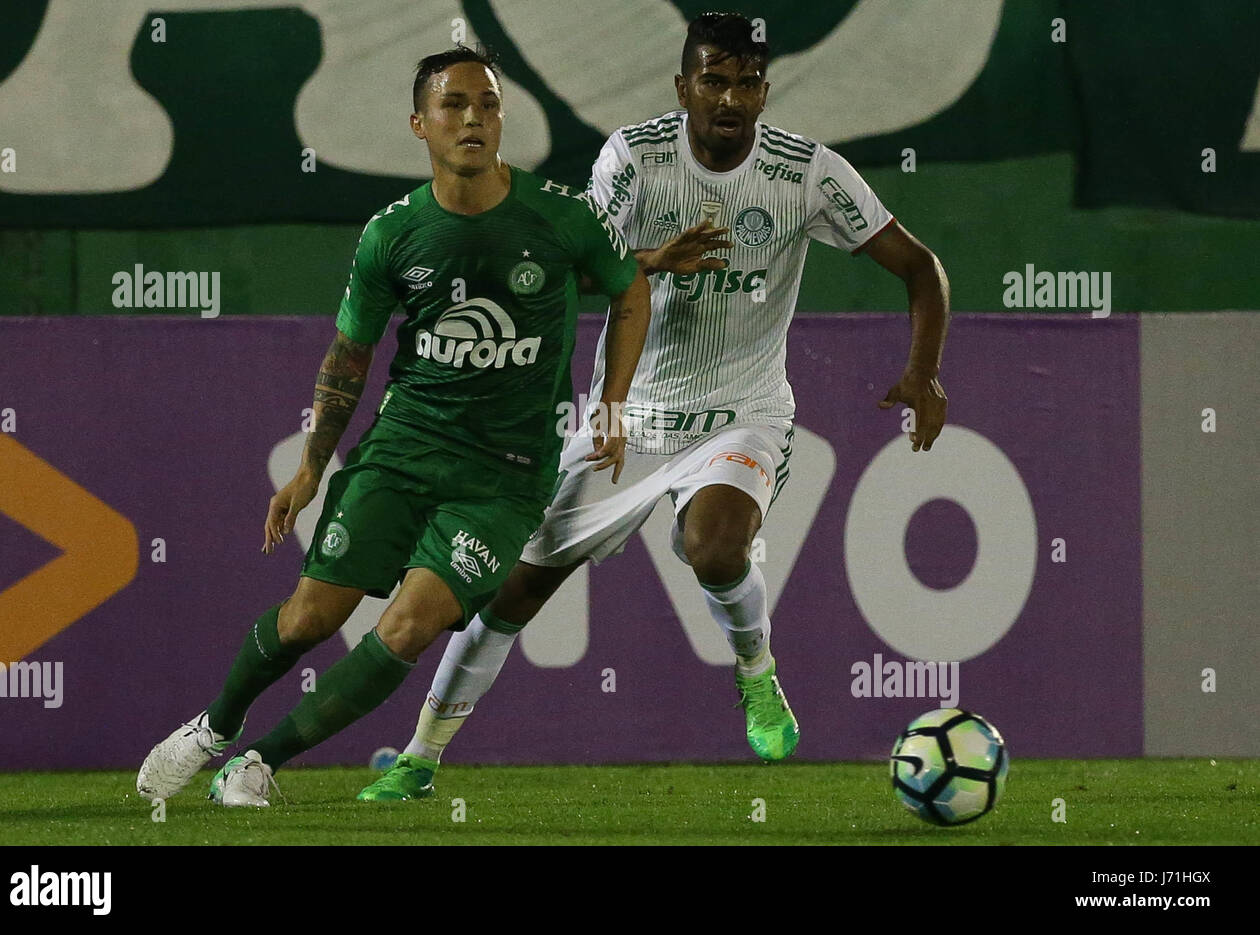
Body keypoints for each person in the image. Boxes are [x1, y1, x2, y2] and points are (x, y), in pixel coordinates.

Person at [360, 12, 951, 802]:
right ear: (683, 87)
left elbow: (920, 267)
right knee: (508, 592)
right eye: (713, 79)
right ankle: (421, 754)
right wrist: (649, 261)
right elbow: (564, 272)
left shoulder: (806, 173)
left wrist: (925, 374)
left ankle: (755, 671)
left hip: (743, 412)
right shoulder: (634, 160)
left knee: (712, 545)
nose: (730, 97)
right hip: (628, 420)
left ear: (765, 91)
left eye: (746, 82)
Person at [135, 45, 651, 806]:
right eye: (454, 105)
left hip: (503, 477)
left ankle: (260, 763)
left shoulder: (564, 217)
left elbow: (630, 290)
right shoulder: (392, 235)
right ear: (420, 124)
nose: (473, 117)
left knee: (409, 627)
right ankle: (215, 725)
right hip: (402, 451)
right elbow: (350, 355)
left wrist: (612, 403)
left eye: (488, 104)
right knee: (311, 616)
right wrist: (312, 466)